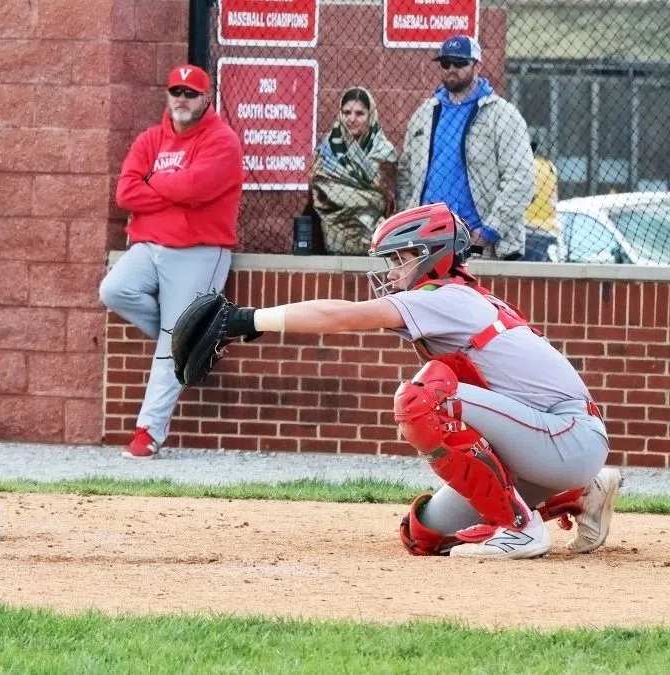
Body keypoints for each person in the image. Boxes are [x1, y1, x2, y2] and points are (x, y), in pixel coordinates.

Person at [198, 202, 622, 559]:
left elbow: (342, 317)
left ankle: (520, 528)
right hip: (548, 444)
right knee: (424, 534)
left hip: (566, 436)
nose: (394, 271)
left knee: (424, 399)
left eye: (402, 259)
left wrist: (250, 319)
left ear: (434, 255)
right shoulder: (454, 297)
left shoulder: (449, 297)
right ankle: (582, 495)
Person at [100, 64, 243, 459]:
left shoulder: (222, 140)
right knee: (114, 289)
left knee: (171, 335)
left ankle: (148, 433)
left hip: (200, 249)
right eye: (176, 91)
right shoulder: (150, 139)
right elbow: (126, 193)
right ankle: (195, 341)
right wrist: (173, 195)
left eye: (190, 93)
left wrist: (155, 186)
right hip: (150, 246)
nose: (182, 99)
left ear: (205, 98)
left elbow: (195, 188)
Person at [397, 35, 536, 261]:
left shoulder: (502, 115)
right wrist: (410, 223)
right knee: (426, 296)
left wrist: (489, 231)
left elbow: (521, 179)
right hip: (426, 241)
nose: (451, 68)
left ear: (477, 66)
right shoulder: (424, 114)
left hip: (476, 244)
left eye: (460, 62)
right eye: (445, 63)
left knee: (471, 295)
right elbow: (404, 175)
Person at [308, 86, 397, 255]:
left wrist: (342, 193)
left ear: (370, 116)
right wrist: (365, 198)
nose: (352, 119)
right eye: (346, 112)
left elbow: (382, 198)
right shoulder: (326, 151)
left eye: (359, 113)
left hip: (374, 241)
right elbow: (320, 191)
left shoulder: (384, 151)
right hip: (334, 239)